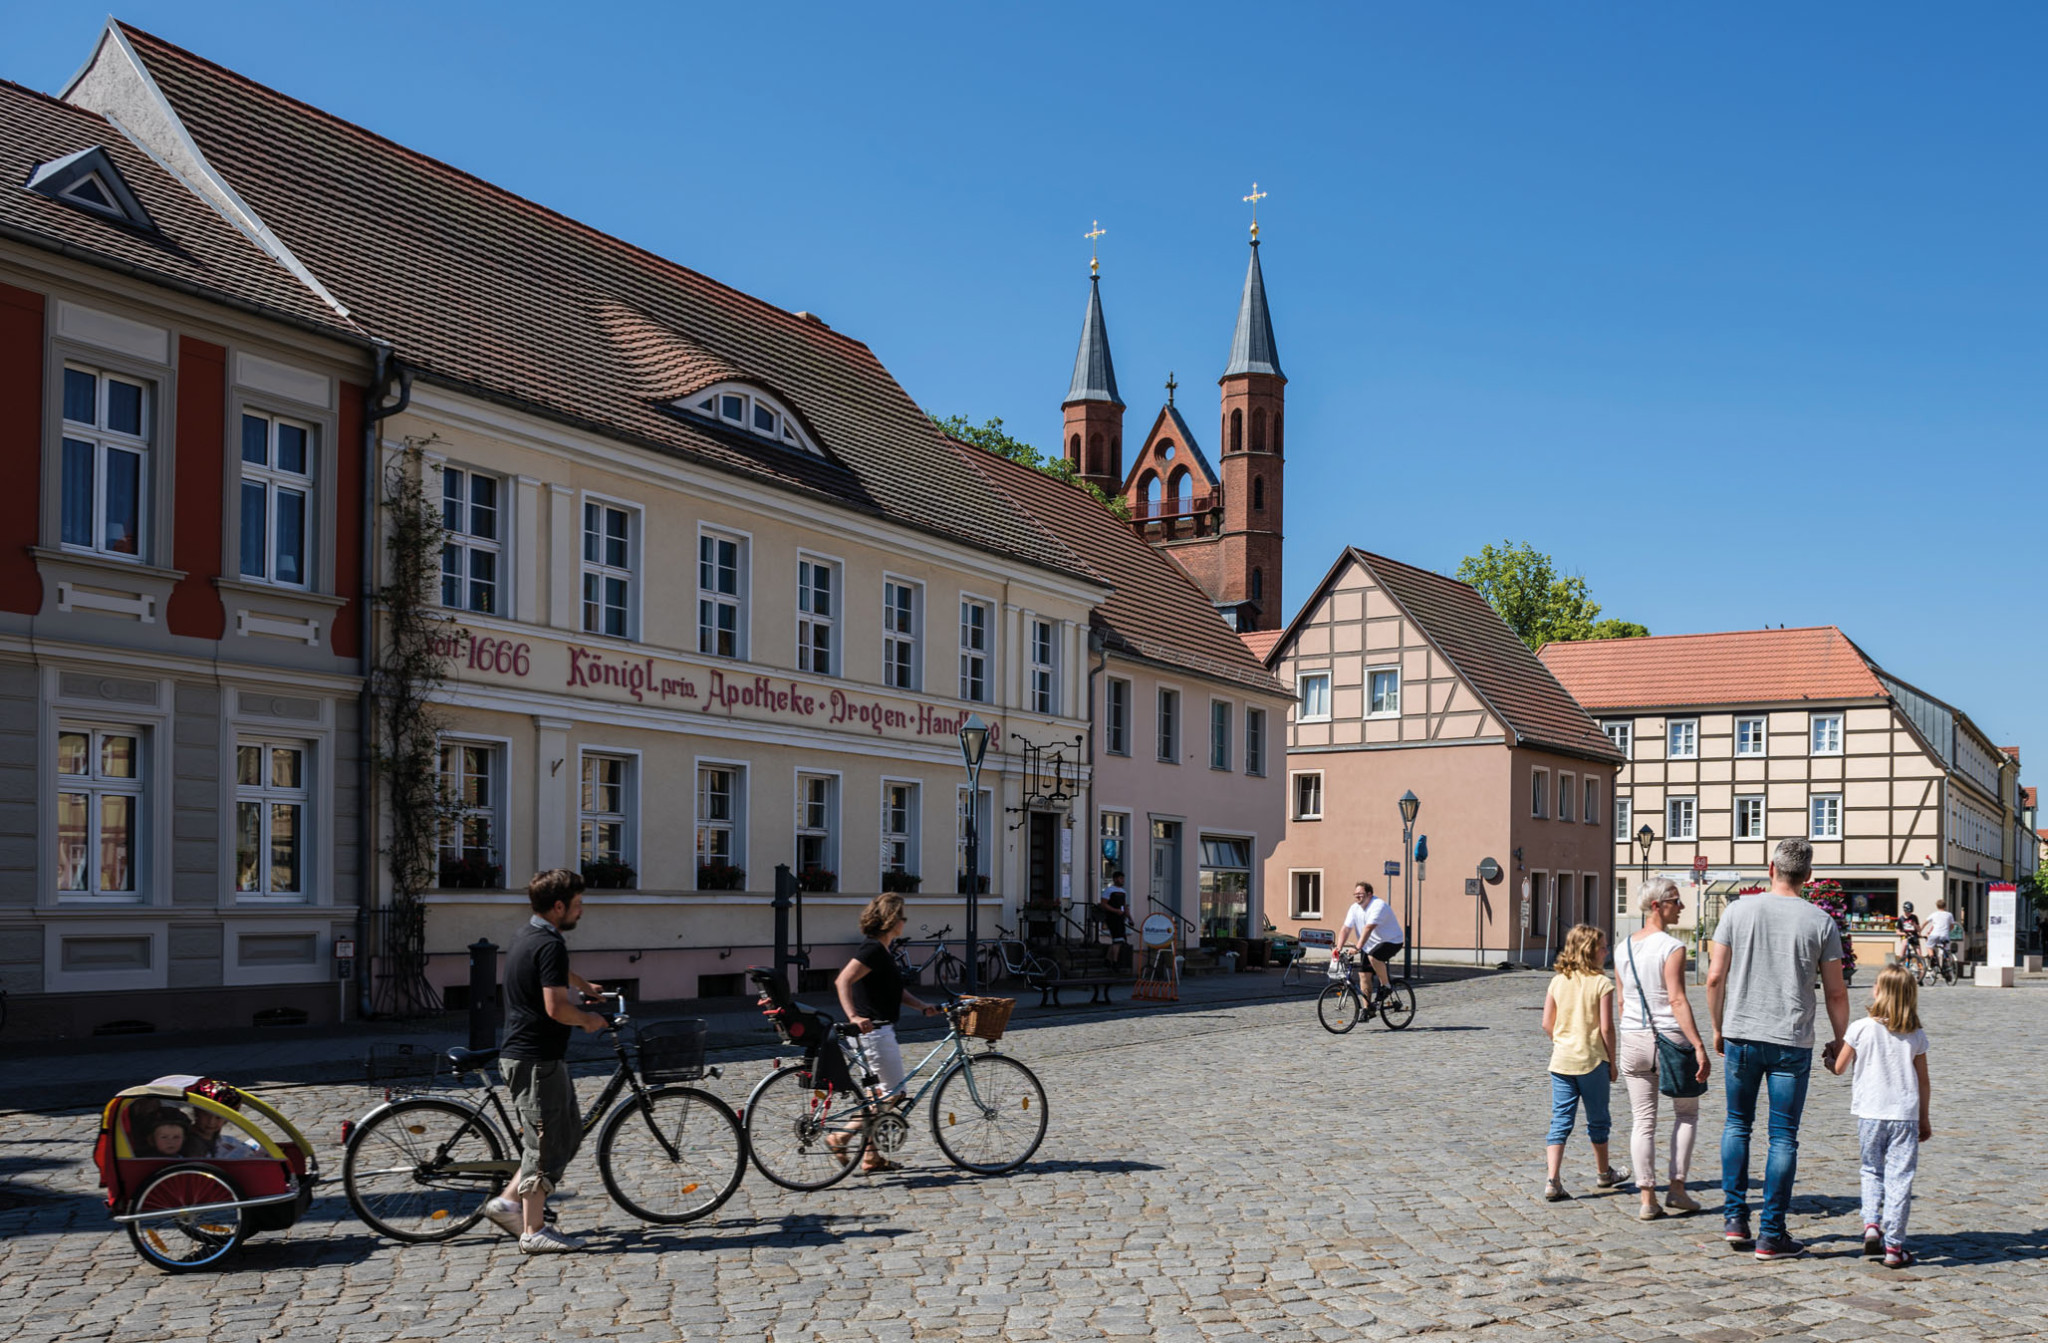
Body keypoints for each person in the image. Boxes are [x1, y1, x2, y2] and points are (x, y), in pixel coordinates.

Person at [1706, 836, 1850, 1259]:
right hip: (1791, 1040)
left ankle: (1735, 1220)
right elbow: (1836, 993)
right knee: (1783, 1138)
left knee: (1737, 1125)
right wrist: (1842, 1040)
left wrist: (1718, 1027)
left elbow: (1715, 978)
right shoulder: (1820, 922)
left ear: (1771, 869)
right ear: (1808, 876)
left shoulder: (1737, 910)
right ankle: (1771, 1234)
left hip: (1742, 1035)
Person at [481, 868, 608, 1254]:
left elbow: (552, 972)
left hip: (542, 1057)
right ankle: (533, 1231)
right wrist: (588, 1019)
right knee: (544, 1143)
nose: (581, 912)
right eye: (578, 904)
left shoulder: (532, 934)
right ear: (558, 906)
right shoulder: (550, 943)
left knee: (567, 1134)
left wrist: (583, 985)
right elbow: (555, 1008)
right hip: (535, 1058)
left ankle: (507, 1203)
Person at [1614, 878, 1710, 1220]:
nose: (1680, 906)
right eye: (1675, 900)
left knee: (1643, 1121)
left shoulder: (1622, 948)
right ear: (1657, 905)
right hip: (1670, 1038)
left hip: (1633, 1038)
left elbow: (1622, 1000)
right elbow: (1676, 999)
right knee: (1686, 1113)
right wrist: (1699, 1045)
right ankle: (1678, 1189)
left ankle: (1646, 1199)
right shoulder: (1671, 947)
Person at [1828, 965, 1932, 1269]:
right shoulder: (1915, 1035)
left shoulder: (1861, 1027)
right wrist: (1924, 1117)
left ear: (1879, 992)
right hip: (1904, 1115)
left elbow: (1839, 1067)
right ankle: (1894, 1246)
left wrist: (1829, 1057)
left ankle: (1871, 1224)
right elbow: (1923, 1080)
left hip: (1870, 1113)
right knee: (1900, 1178)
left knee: (1871, 1169)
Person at [835, 892, 942, 1174]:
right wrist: (854, 1017)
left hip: (877, 1031)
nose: (905, 922)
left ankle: (871, 1157)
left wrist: (921, 1006)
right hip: (873, 1032)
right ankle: (842, 1137)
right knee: (893, 1093)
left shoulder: (882, 952)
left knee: (876, 1096)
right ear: (892, 920)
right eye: (903, 917)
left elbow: (895, 991)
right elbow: (842, 980)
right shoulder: (871, 950)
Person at [1541, 923, 1625, 1201]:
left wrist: (1563, 1041)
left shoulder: (1557, 981)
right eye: (1603, 947)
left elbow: (1546, 1023)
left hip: (1561, 1062)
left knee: (1560, 1120)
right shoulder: (1602, 983)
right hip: (1592, 1061)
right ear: (1591, 951)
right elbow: (1606, 1029)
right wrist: (1613, 1061)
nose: (1607, 951)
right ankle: (1603, 1173)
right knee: (1598, 1120)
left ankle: (1552, 1180)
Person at [1333, 882, 1404, 1003]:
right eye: (1355, 894)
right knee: (1364, 976)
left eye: (1360, 894)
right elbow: (1346, 928)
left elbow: (1368, 928)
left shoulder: (1378, 906)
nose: (1357, 897)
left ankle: (1386, 986)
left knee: (1374, 957)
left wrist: (1357, 947)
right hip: (1368, 945)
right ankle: (1367, 1009)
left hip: (1392, 941)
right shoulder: (1354, 908)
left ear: (1369, 894)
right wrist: (1338, 948)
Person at [189, 1103, 263, 1159]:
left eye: (218, 1117)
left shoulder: (232, 1143)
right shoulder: (181, 1141)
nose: (211, 1122)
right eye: (205, 1115)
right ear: (197, 1112)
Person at [1922, 899, 1955, 975]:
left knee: (1929, 946)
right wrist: (1947, 930)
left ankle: (1932, 958)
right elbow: (1952, 926)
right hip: (1945, 936)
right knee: (1945, 949)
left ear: (1937, 906)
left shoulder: (1934, 914)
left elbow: (1925, 922)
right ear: (1945, 906)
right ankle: (1947, 962)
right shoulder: (1949, 915)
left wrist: (1920, 931)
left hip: (1934, 935)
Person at [1097, 870, 1130, 945]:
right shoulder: (1109, 890)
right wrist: (1115, 911)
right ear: (1115, 879)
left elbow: (1124, 905)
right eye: (1121, 878)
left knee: (1121, 940)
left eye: (1123, 878)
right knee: (1117, 940)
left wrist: (1129, 918)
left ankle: (1109, 957)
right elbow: (1103, 904)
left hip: (1121, 918)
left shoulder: (1123, 891)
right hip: (1112, 917)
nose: (1123, 880)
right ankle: (1115, 957)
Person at [1894, 901, 1922, 965]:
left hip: (1914, 935)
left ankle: (1920, 967)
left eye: (1910, 912)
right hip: (1905, 935)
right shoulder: (1901, 919)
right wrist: (1904, 934)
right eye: (1908, 912)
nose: (1909, 914)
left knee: (1919, 952)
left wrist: (1914, 924)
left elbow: (1919, 929)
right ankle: (1901, 961)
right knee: (1905, 944)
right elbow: (1897, 932)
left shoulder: (1914, 917)